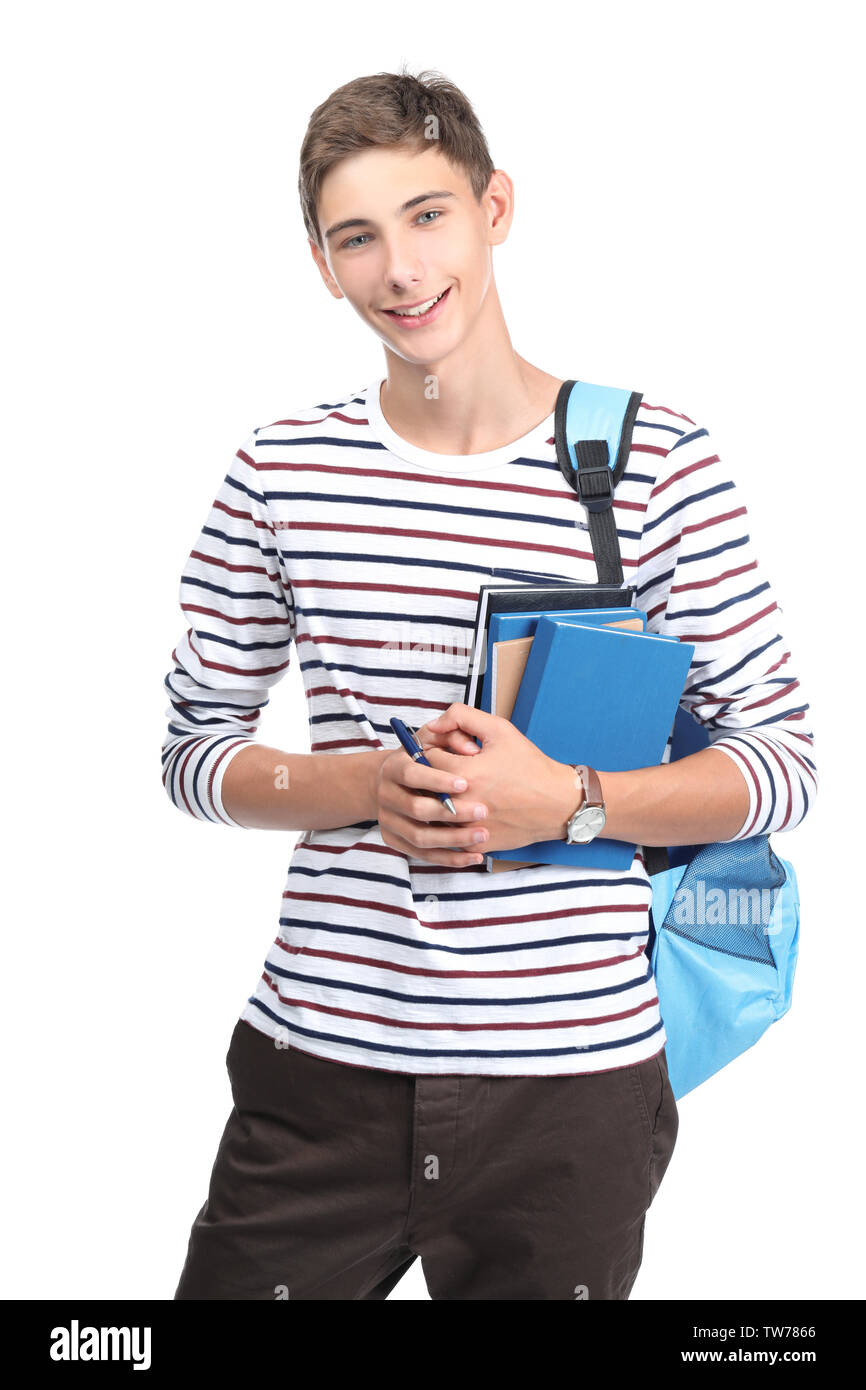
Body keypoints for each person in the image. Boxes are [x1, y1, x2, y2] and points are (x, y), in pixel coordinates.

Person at [163, 67, 818, 1301]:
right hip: (320, 1075)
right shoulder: (280, 468)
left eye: (427, 217)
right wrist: (360, 782)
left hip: (573, 1099)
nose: (401, 271)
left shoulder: (650, 462)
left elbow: (780, 768)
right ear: (320, 262)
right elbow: (196, 751)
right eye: (357, 237)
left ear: (492, 206)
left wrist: (568, 801)